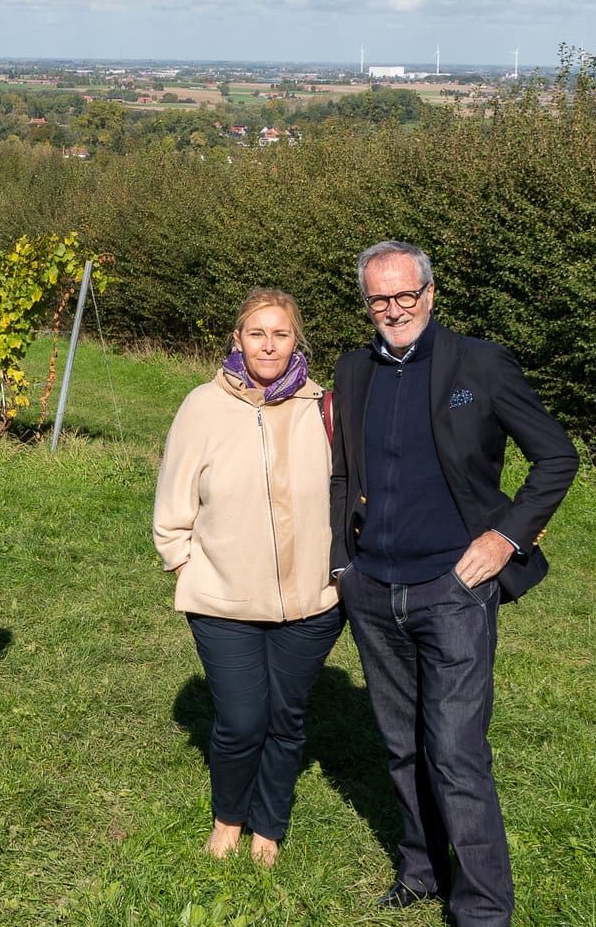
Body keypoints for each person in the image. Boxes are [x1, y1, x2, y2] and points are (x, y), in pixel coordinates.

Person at [330, 241, 577, 926]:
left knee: (457, 749)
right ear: (367, 303)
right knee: (401, 740)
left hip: (454, 589)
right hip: (374, 588)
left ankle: (483, 909)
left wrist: (506, 536)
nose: (394, 309)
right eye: (379, 298)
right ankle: (420, 868)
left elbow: (556, 456)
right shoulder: (353, 372)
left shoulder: (481, 363)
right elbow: (342, 476)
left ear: (431, 294)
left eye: (406, 294)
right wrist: (341, 568)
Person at [154, 288, 342, 868]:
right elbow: (172, 503)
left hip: (311, 603)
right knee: (241, 721)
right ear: (237, 339)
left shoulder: (323, 408)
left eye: (280, 333)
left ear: (296, 340)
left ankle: (269, 825)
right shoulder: (202, 406)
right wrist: (188, 565)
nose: (268, 344)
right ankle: (228, 819)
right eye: (256, 333)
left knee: (286, 720)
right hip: (222, 600)